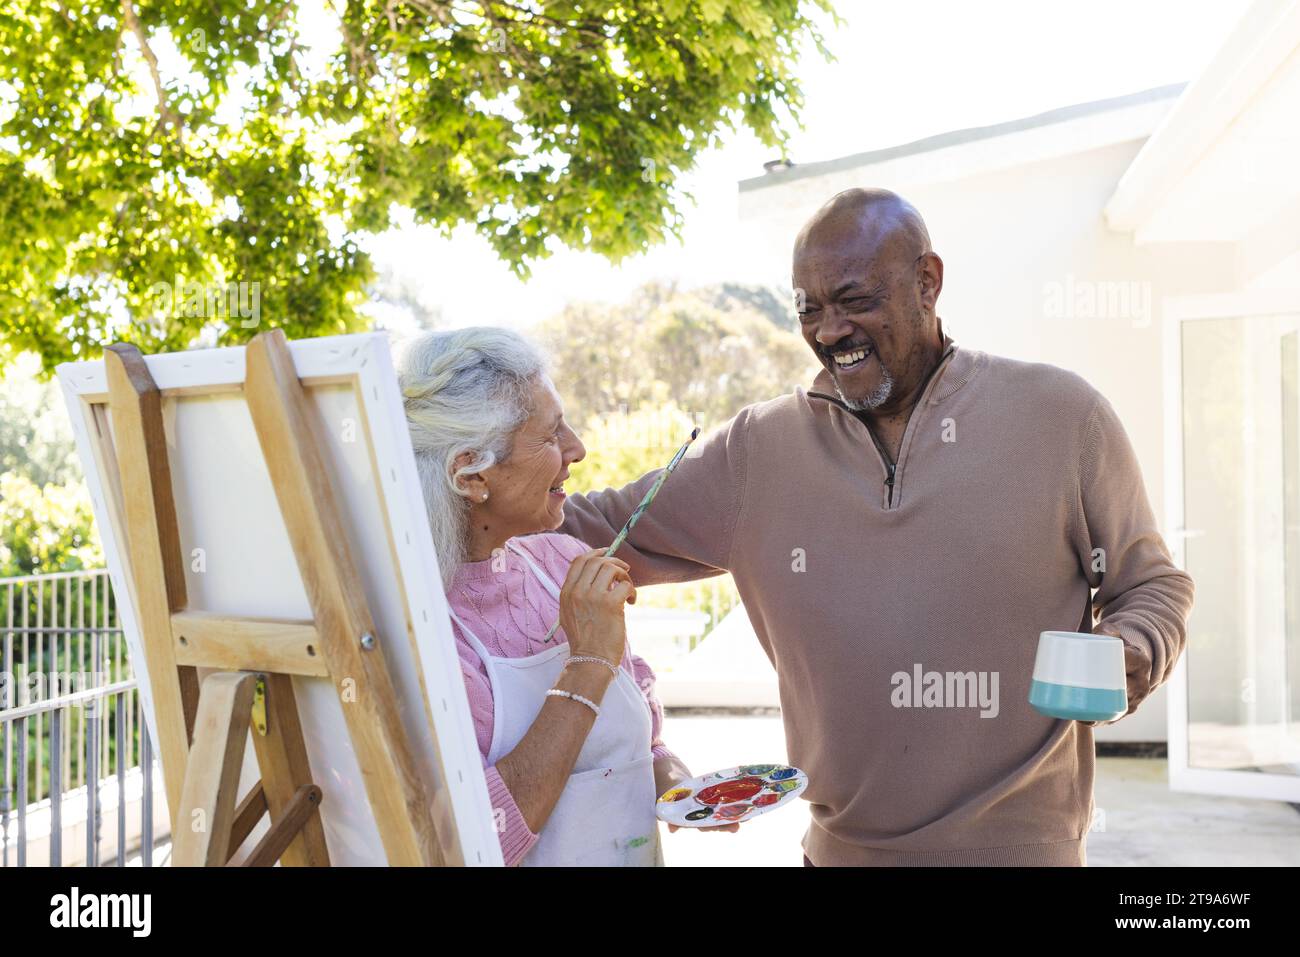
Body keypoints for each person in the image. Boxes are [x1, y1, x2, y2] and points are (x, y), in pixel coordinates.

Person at [562, 187, 1195, 866]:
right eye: (808, 308)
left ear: (928, 282)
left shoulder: (1062, 417)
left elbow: (1151, 584)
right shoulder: (757, 451)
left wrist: (1136, 649)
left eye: (855, 300)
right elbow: (590, 527)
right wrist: (462, 479)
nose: (829, 330)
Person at [398, 327, 734, 867]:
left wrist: (675, 784)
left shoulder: (558, 560)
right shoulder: (423, 630)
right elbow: (473, 841)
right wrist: (588, 663)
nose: (578, 448)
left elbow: (639, 734)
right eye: (551, 436)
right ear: (470, 474)